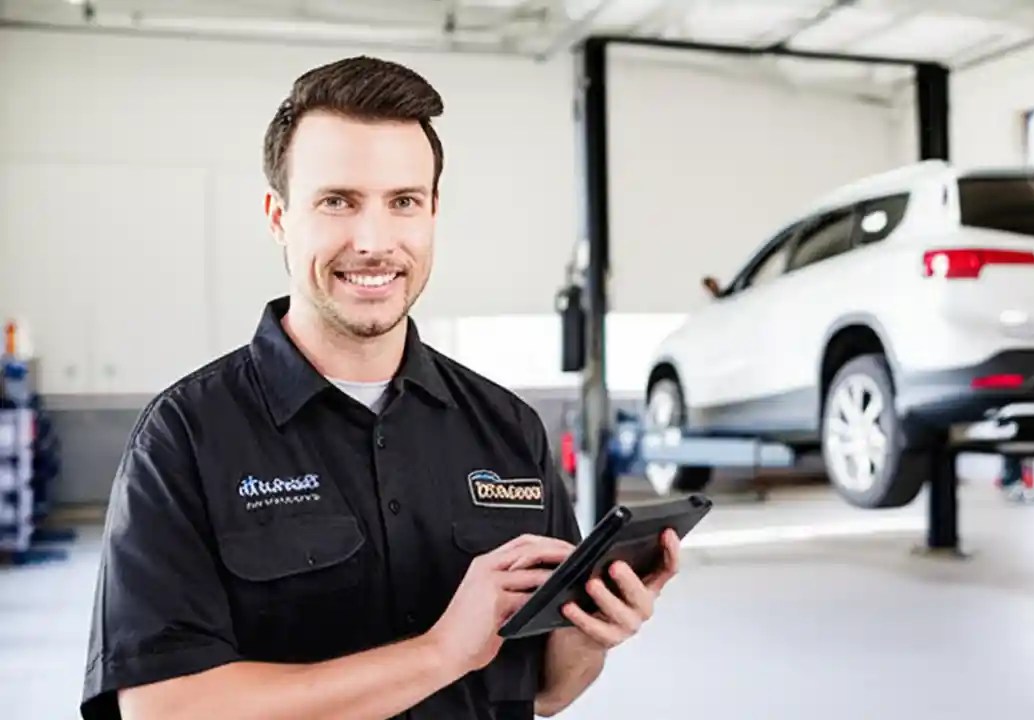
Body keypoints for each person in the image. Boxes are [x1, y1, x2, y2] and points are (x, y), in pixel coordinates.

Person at [79, 55, 681, 720]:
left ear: (433, 211)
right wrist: (439, 653)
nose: (374, 241)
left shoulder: (508, 428)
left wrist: (592, 631)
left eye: (403, 202)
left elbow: (547, 689)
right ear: (278, 215)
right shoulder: (185, 437)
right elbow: (164, 710)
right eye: (337, 201)